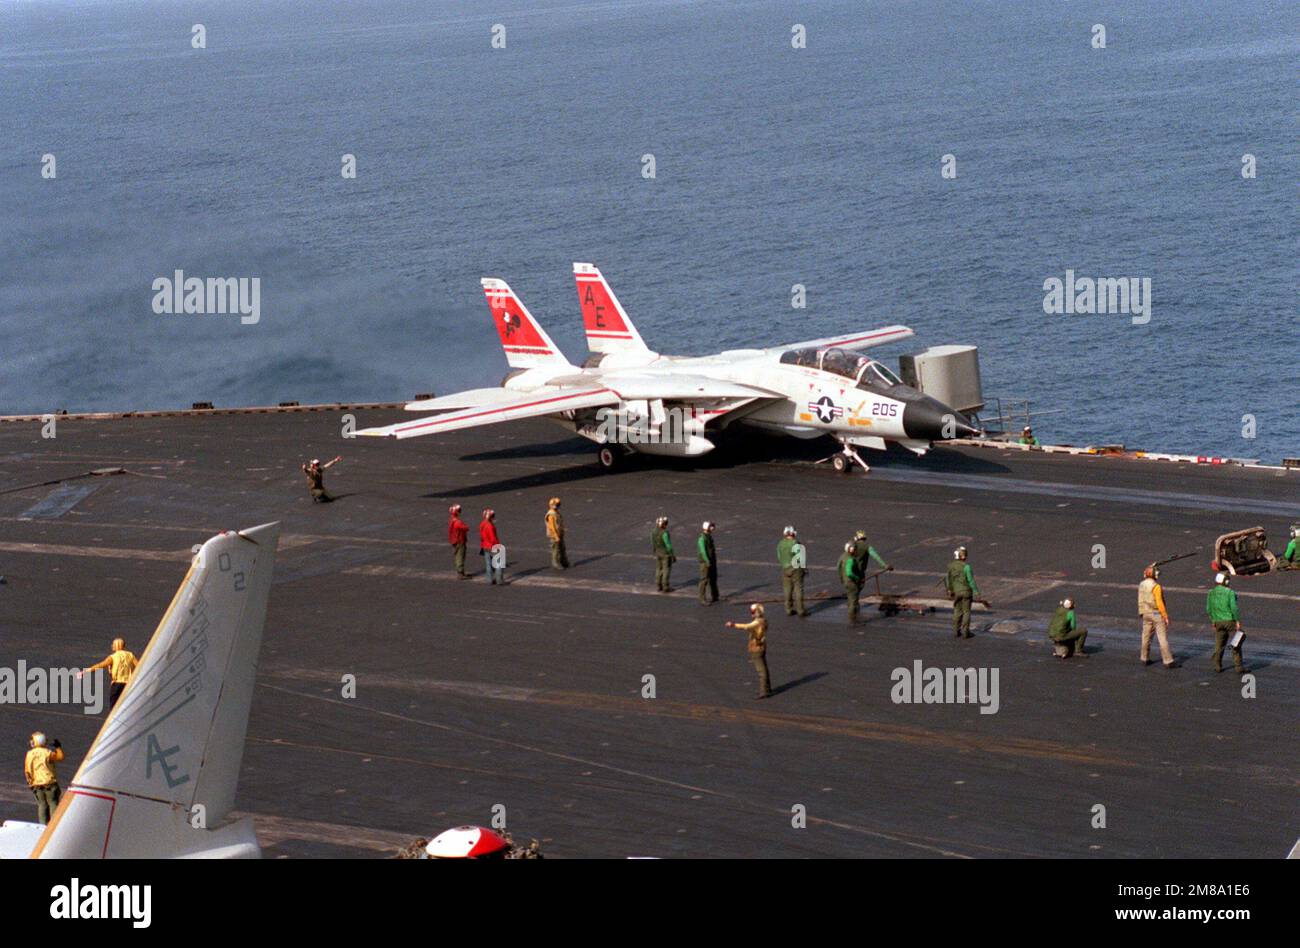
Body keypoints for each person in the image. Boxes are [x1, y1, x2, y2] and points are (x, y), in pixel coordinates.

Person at [726, 604, 772, 699]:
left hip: (756, 648)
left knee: (761, 670)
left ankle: (764, 691)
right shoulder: (764, 621)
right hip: (762, 646)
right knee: (764, 668)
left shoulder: (757, 623)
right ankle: (767, 688)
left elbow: (747, 626)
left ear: (757, 612)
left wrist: (733, 625)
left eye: (752, 612)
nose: (751, 614)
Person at [83, 637, 138, 709]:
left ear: (116, 646)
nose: (112, 646)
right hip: (129, 684)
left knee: (114, 706)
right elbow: (139, 666)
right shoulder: (131, 655)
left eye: (113, 644)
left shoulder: (113, 657)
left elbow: (101, 665)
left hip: (117, 684)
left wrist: (86, 671)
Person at [1206, 573, 1244, 674]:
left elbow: (1208, 609)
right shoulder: (1230, 592)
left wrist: (1213, 621)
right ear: (1225, 581)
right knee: (1237, 642)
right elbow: (1234, 608)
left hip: (1218, 622)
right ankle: (1238, 666)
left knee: (1219, 644)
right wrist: (1237, 621)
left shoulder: (1211, 592)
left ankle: (1217, 665)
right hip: (1229, 621)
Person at [1138, 564, 1175, 668]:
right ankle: (1168, 661)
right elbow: (1159, 603)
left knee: (1145, 637)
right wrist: (1165, 616)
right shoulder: (1156, 586)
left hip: (1145, 613)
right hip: (1156, 613)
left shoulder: (1141, 584)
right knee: (1162, 638)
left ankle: (1144, 658)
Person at [25, 732, 64, 825]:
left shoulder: (29, 754)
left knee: (42, 805)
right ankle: (54, 825)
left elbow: (27, 770)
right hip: (50, 783)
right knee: (53, 803)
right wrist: (58, 748)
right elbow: (60, 757)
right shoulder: (47, 753)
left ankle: (42, 826)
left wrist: (30, 782)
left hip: (37, 785)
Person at [944, 547, 979, 638]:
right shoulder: (966, 567)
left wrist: (949, 590)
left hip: (956, 592)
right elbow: (970, 580)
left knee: (957, 611)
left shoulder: (950, 566)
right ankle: (966, 632)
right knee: (966, 611)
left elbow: (948, 579)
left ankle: (956, 631)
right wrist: (976, 591)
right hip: (966, 592)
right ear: (963, 556)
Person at [777, 527, 808, 618]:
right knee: (798, 589)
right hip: (796, 569)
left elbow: (779, 556)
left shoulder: (780, 543)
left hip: (785, 568)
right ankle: (801, 610)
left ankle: (788, 609)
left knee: (787, 590)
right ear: (793, 534)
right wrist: (804, 569)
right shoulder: (795, 543)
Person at [838, 542, 862, 624]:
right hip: (852, 582)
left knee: (849, 598)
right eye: (854, 549)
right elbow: (849, 573)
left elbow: (838, 568)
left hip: (845, 581)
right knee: (853, 601)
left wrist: (841, 578)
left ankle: (852, 616)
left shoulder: (842, 556)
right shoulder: (850, 560)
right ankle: (852, 619)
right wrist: (857, 578)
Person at [479, 509, 504, 585]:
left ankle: (489, 580)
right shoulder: (490, 526)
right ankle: (499, 580)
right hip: (492, 546)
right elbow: (493, 538)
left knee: (488, 564)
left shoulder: (482, 524)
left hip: (485, 546)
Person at [697, 521, 719, 605]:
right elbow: (703, 551)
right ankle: (702, 599)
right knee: (704, 580)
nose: (712, 528)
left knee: (713, 578)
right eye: (711, 527)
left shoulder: (708, 536)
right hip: (705, 562)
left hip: (711, 560)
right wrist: (707, 561)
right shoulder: (702, 538)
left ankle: (715, 595)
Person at [544, 497, 569, 570]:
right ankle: (556, 563)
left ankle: (564, 562)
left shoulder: (556, 512)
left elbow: (558, 523)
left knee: (562, 548)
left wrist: (562, 530)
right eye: (556, 504)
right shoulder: (551, 514)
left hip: (559, 533)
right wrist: (556, 536)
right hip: (554, 535)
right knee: (556, 550)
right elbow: (552, 526)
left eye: (558, 504)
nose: (557, 506)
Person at [652, 517, 675, 592]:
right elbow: (668, 545)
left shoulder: (653, 531)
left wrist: (655, 550)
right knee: (666, 570)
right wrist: (672, 555)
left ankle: (658, 586)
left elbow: (652, 542)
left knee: (659, 569)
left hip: (658, 553)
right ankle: (666, 587)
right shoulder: (664, 533)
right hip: (665, 554)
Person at [448, 504, 470, 578]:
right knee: (460, 556)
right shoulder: (457, 522)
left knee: (458, 555)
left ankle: (460, 571)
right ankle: (460, 572)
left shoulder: (452, 520)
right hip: (459, 541)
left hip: (455, 540)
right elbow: (465, 528)